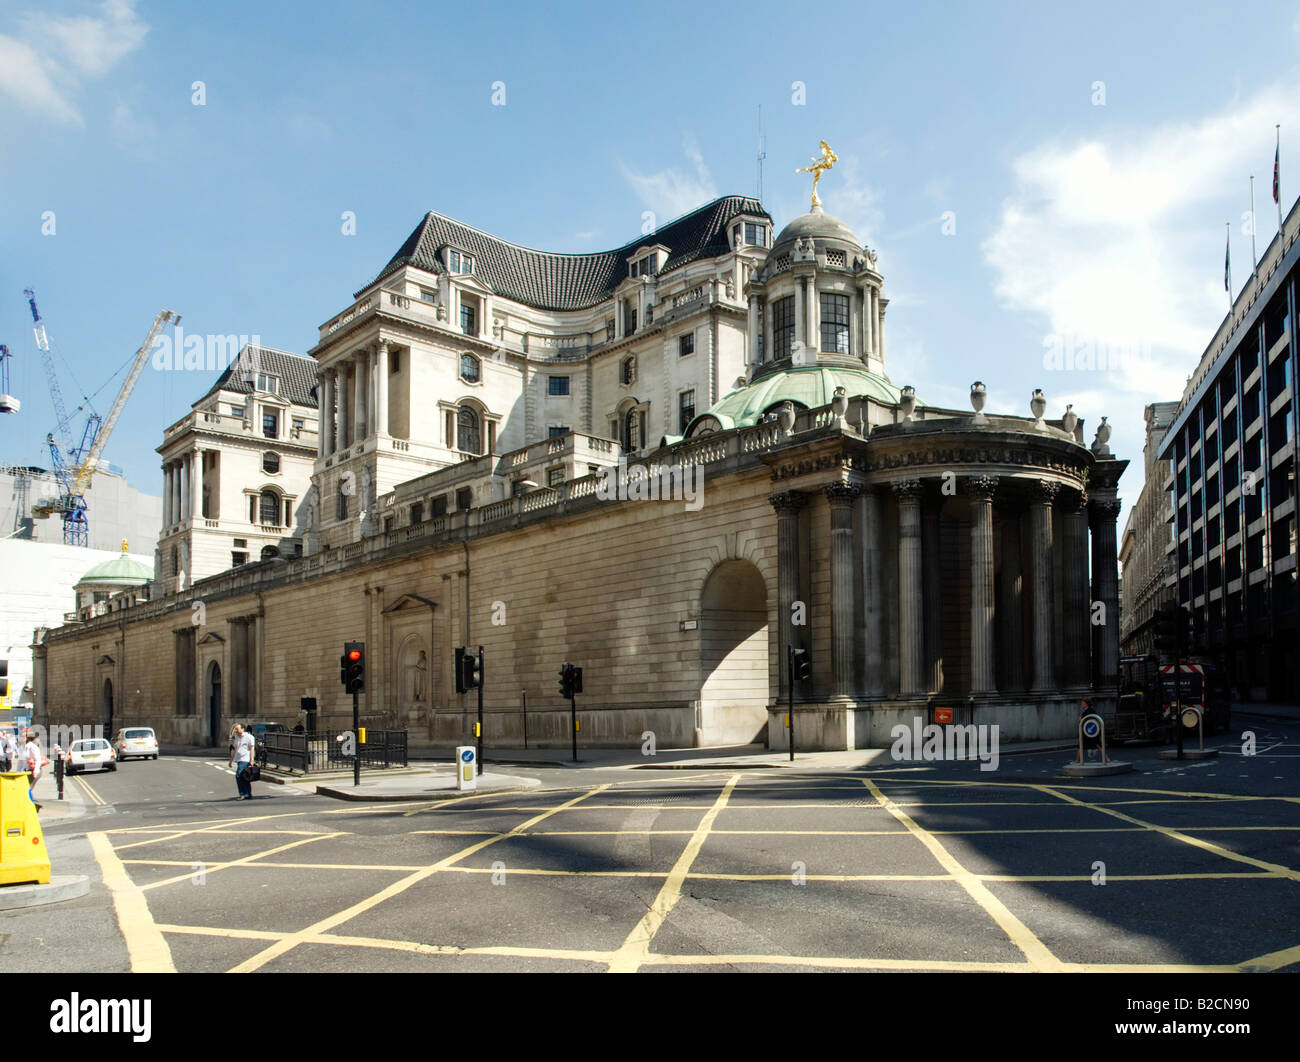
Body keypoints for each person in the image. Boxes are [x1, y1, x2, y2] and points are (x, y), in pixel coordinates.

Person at [229, 723, 255, 799]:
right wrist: (231, 760)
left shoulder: (249, 737)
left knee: (238, 775)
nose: (236, 730)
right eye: (235, 729)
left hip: (245, 759)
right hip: (239, 759)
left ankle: (242, 794)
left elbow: (252, 748)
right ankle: (248, 794)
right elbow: (234, 749)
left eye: (237, 729)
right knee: (245, 777)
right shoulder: (236, 737)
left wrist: (252, 759)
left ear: (243, 729)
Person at [24, 730, 43, 811]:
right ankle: (34, 805)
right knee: (27, 788)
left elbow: (38, 760)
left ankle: (35, 805)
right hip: (28, 770)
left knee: (27, 788)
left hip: (34, 771)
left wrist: (35, 771)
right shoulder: (25, 746)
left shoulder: (32, 746)